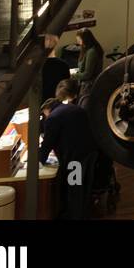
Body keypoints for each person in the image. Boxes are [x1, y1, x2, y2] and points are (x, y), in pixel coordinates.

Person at [39, 78, 96, 219]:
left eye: (44, 115)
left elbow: (47, 144)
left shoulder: (53, 117)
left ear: (47, 110)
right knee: (85, 189)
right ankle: (84, 214)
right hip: (91, 153)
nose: (44, 118)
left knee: (74, 191)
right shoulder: (75, 109)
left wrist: (39, 160)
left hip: (75, 160)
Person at [71, 28, 104, 101]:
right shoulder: (86, 49)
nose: (77, 40)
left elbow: (87, 74)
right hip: (86, 84)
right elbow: (82, 68)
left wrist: (72, 75)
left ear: (85, 39)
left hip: (89, 86)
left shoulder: (91, 52)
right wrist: (73, 71)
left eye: (79, 39)